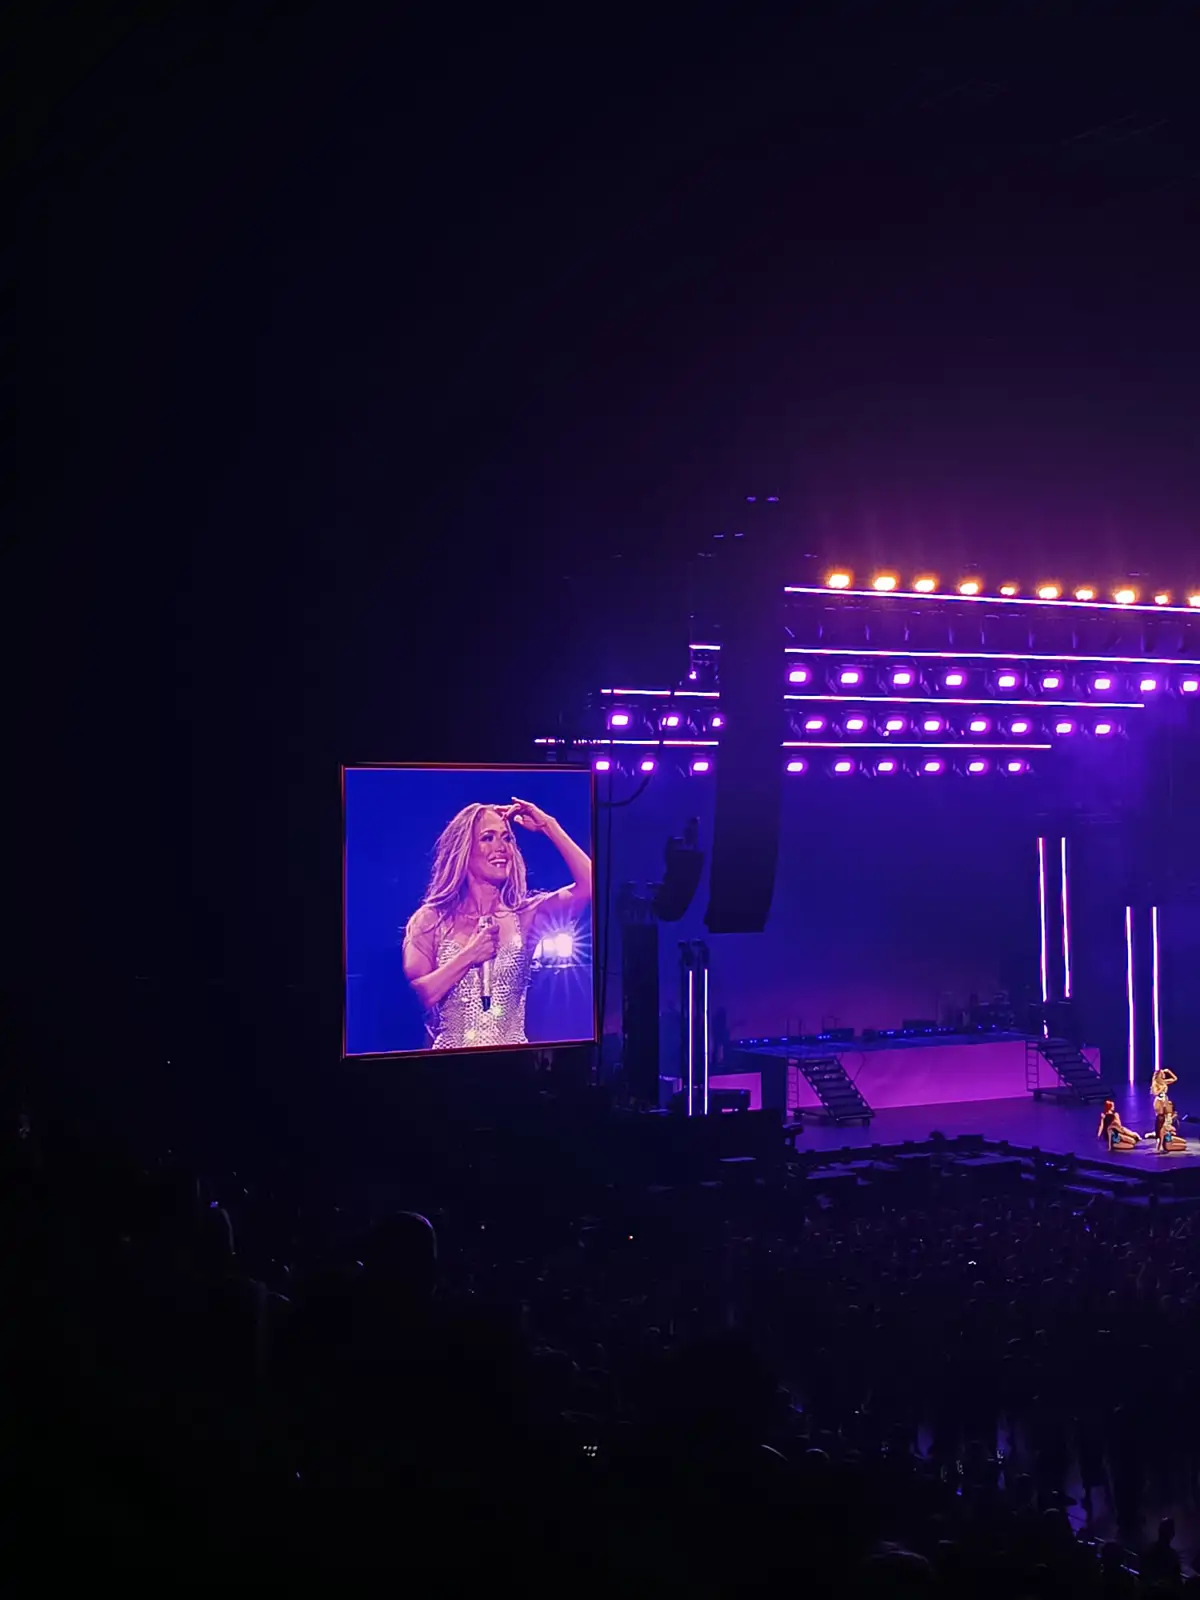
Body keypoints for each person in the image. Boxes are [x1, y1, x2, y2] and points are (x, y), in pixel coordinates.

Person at [402, 797, 591, 1050]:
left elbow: (591, 884)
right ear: (464, 850)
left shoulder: (526, 915)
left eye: (506, 838)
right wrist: (470, 954)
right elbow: (418, 996)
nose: (501, 847)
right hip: (449, 1069)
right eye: (488, 838)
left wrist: (549, 825)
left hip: (511, 1067)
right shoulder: (431, 920)